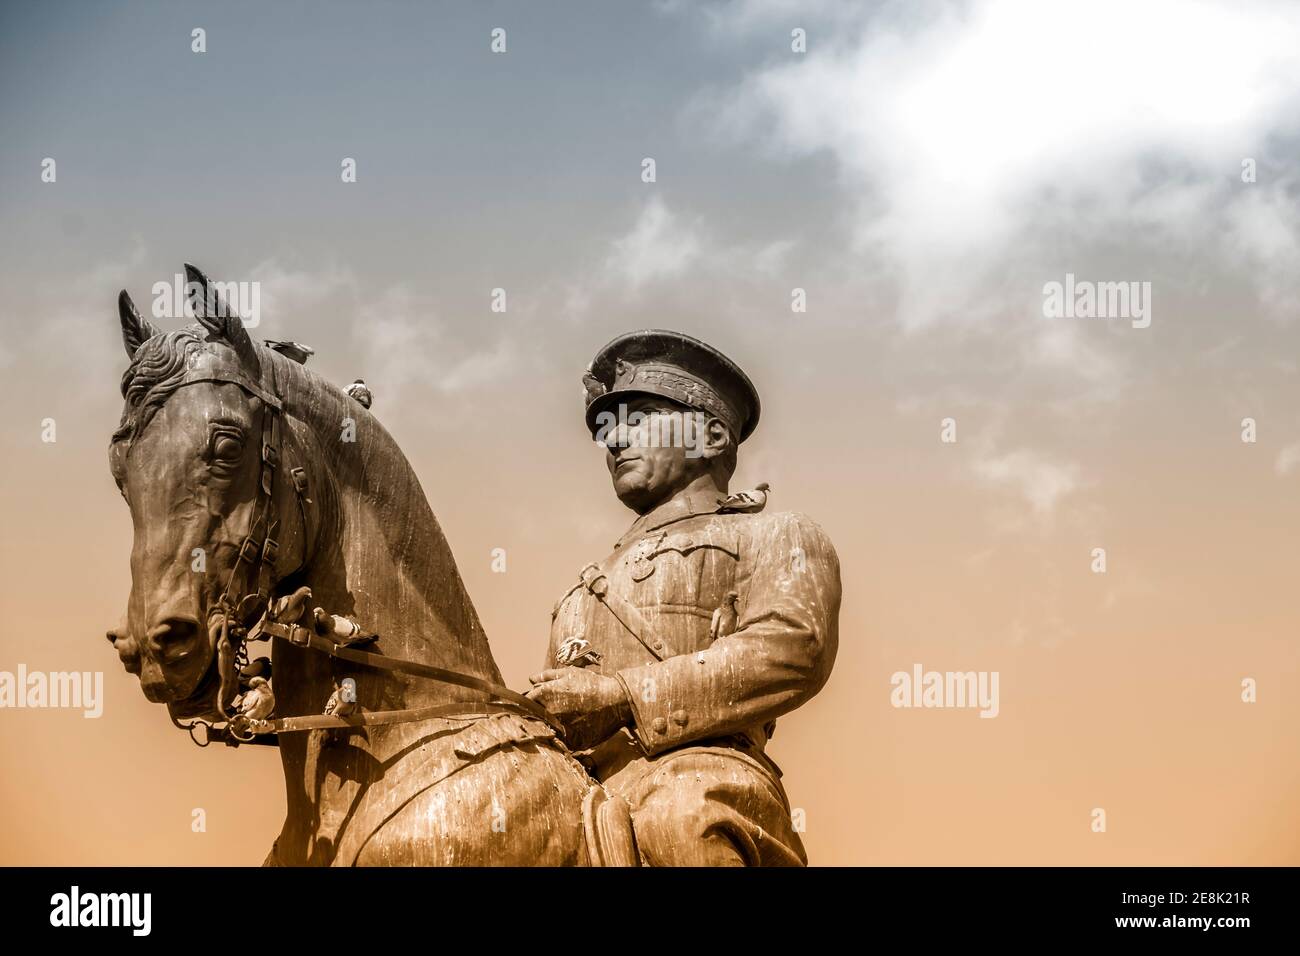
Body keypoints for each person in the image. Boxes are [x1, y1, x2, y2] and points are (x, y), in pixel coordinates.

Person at [526, 330, 841, 866]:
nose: (616, 441)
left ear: (714, 437)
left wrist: (625, 697)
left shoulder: (774, 534)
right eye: (609, 430)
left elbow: (792, 648)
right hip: (577, 787)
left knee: (682, 817)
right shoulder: (578, 587)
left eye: (640, 418)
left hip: (702, 774)